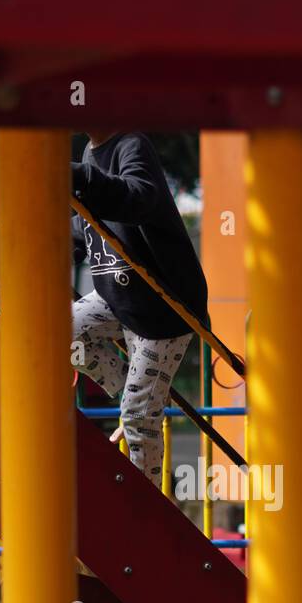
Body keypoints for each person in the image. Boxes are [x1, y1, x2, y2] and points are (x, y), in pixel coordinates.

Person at [71, 130, 207, 486]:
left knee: (137, 419)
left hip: (162, 308)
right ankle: (130, 393)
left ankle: (145, 501)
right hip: (115, 300)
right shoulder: (89, 153)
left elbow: (139, 198)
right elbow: (87, 224)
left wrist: (81, 178)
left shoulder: (131, 144)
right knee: (55, 330)